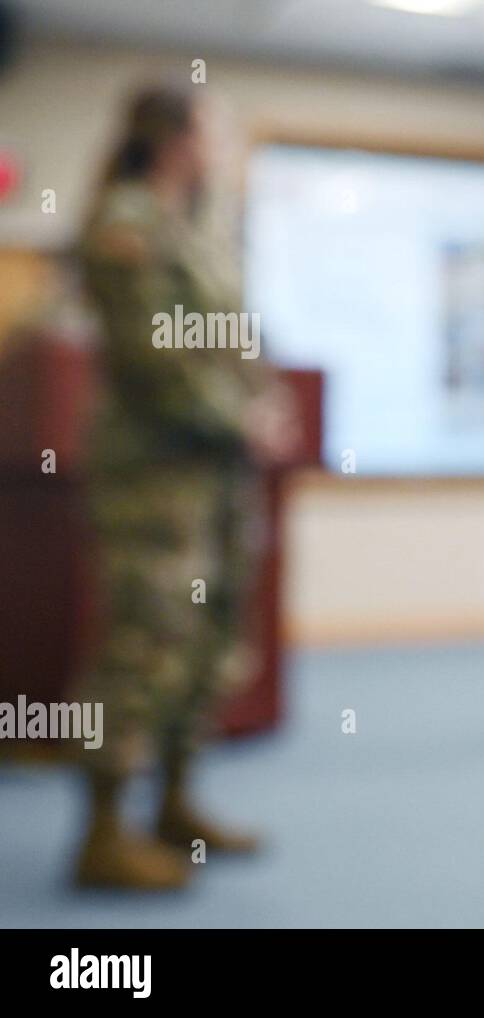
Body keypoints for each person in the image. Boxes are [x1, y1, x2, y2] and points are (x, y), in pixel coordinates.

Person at [74, 84, 297, 890]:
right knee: (143, 644)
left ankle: (173, 803)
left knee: (206, 644)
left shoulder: (195, 227)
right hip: (157, 477)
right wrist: (239, 418)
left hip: (213, 476)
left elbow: (233, 338)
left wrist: (264, 400)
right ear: (176, 138)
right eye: (214, 127)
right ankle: (100, 833)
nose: (224, 142)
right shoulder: (129, 223)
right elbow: (151, 356)